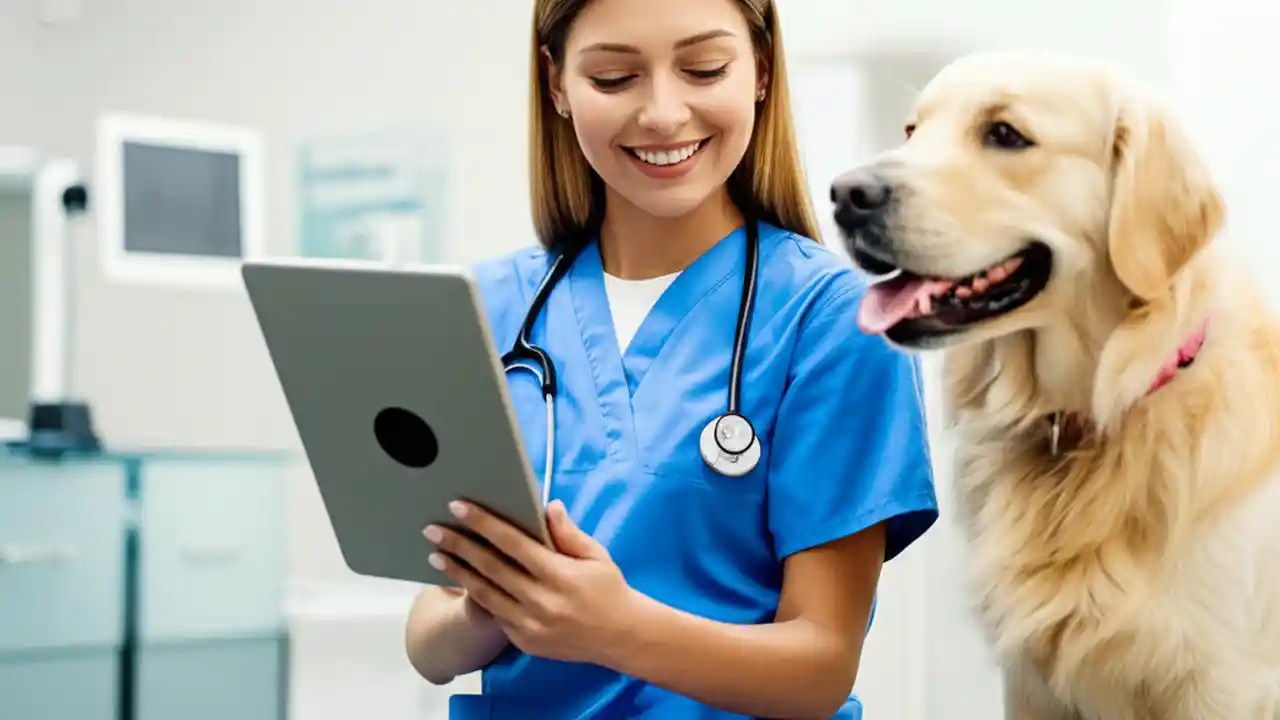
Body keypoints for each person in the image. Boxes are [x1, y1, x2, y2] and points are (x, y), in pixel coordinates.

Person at [404, 0, 939, 717]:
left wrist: (614, 629)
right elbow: (427, 642)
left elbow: (820, 667)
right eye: (616, 76)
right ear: (557, 84)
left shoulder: (833, 319)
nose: (662, 114)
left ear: (761, 70)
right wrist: (495, 609)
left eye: (703, 68)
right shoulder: (483, 308)